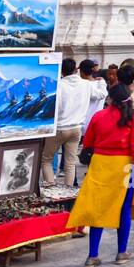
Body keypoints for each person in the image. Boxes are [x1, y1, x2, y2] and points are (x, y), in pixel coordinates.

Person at [68, 83, 134, 267]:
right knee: (125, 208)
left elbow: (88, 142)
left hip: (100, 164)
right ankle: (121, 252)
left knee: (98, 209)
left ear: (110, 98)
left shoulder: (98, 116)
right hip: (127, 167)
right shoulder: (133, 118)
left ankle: (92, 256)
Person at [43, 57, 88, 187]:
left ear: (61, 71)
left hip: (60, 127)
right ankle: (68, 190)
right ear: (75, 69)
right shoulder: (86, 84)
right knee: (70, 163)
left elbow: (54, 107)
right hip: (76, 128)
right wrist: (100, 82)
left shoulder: (59, 85)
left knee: (46, 160)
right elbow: (100, 94)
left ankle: (51, 186)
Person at [79, 59, 108, 134]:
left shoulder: (83, 85)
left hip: (83, 126)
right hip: (97, 124)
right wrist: (102, 82)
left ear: (81, 71)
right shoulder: (101, 85)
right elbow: (103, 94)